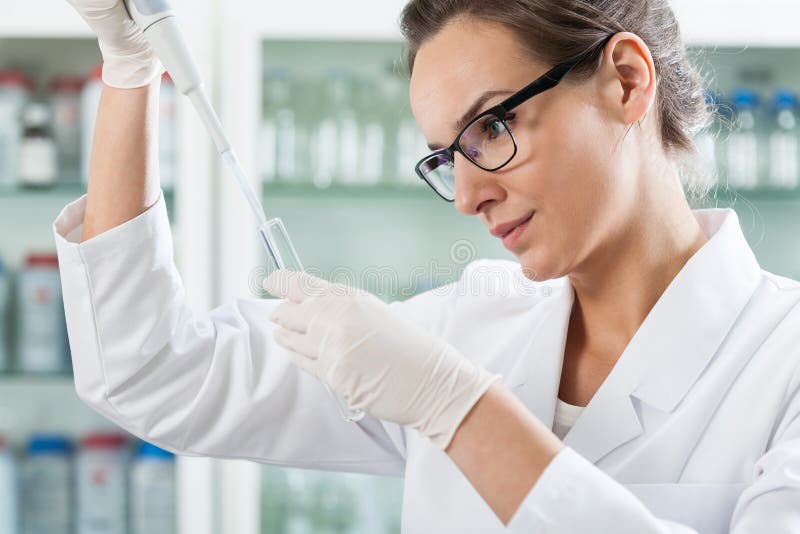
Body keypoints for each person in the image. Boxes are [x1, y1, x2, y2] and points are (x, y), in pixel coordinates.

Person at [55, 0, 800, 532]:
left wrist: (462, 411)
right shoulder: (466, 328)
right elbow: (151, 369)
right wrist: (129, 73)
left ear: (627, 82)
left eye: (495, 125)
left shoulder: (782, 360)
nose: (469, 195)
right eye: (448, 157)